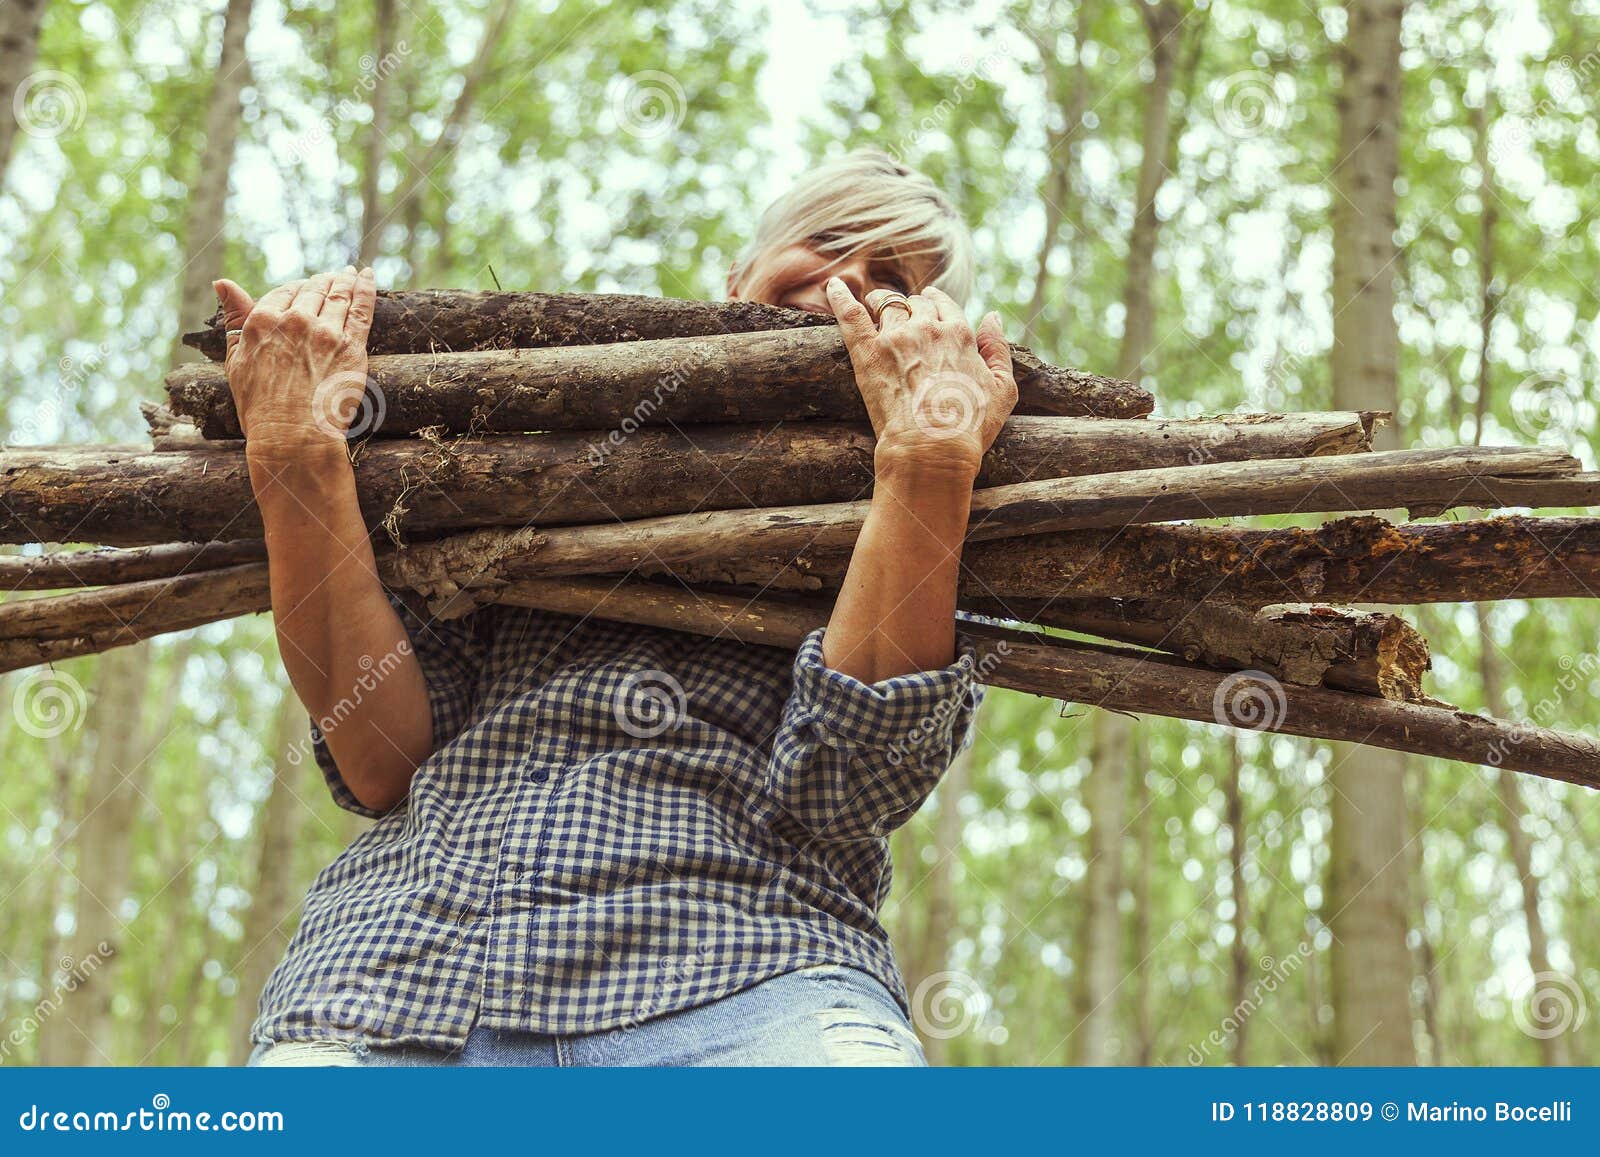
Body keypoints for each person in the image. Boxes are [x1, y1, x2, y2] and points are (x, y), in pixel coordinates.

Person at [224, 149, 1018, 1067]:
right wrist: (296, 458)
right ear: (737, 275)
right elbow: (381, 761)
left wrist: (926, 466)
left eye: (896, 281)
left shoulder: (943, 507)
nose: (849, 279)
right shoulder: (540, 447)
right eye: (829, 241)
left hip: (759, 978)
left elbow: (843, 789)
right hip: (403, 978)